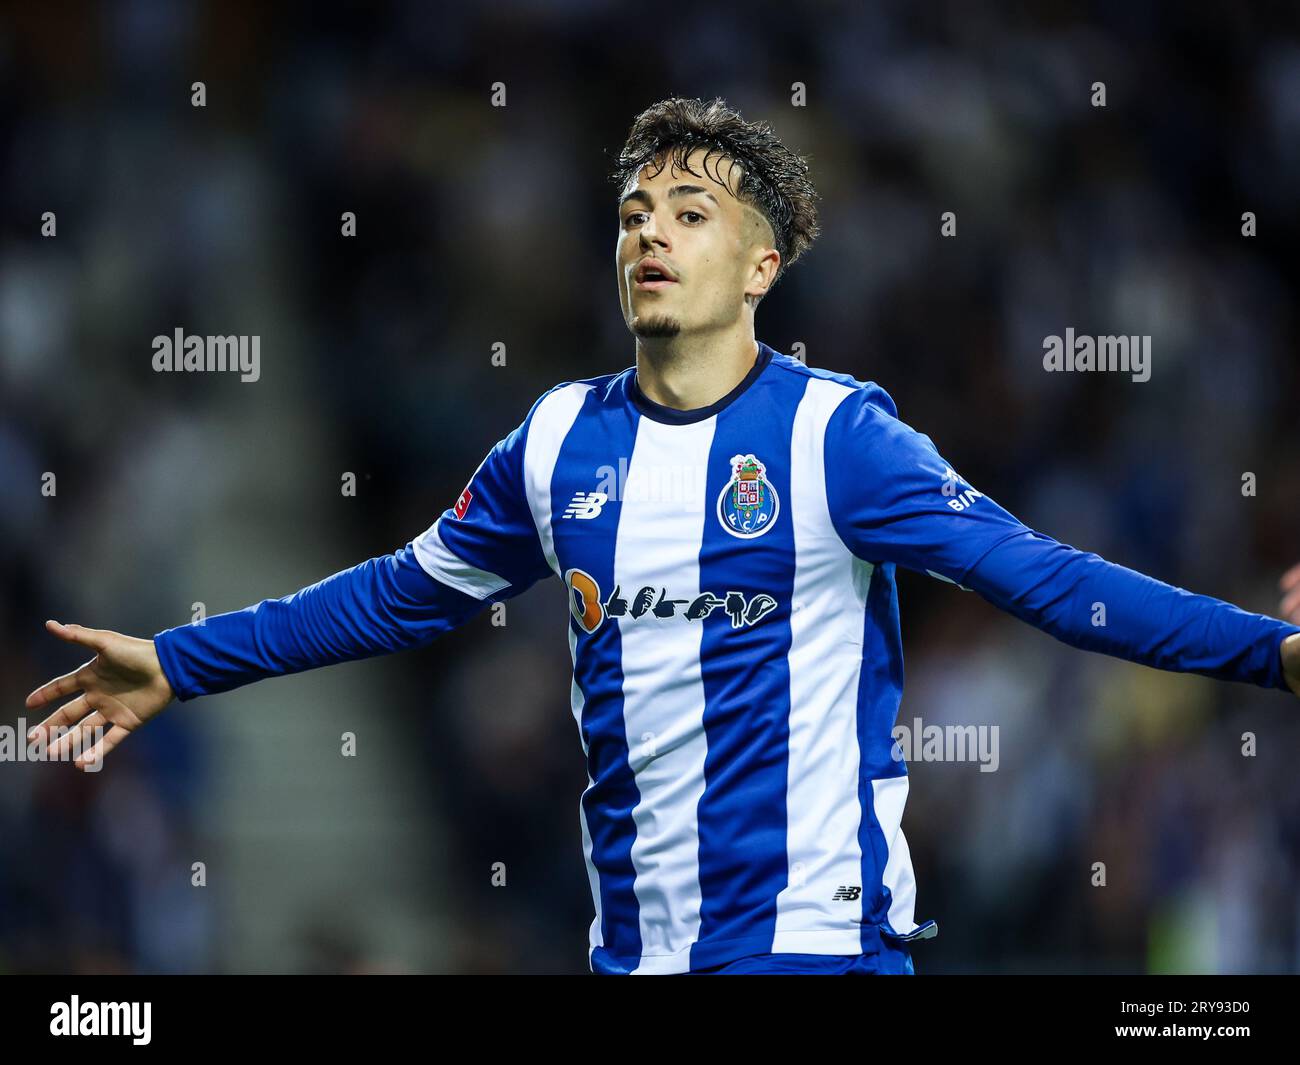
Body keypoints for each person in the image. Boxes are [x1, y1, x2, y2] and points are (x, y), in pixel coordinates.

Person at [25, 97, 1300, 976]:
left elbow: (1047, 580)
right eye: (636, 210)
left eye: (690, 213)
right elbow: (400, 594)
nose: (648, 230)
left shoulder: (836, 441)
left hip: (814, 952)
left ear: (760, 268)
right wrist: (183, 663)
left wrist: (1269, 655)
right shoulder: (553, 445)